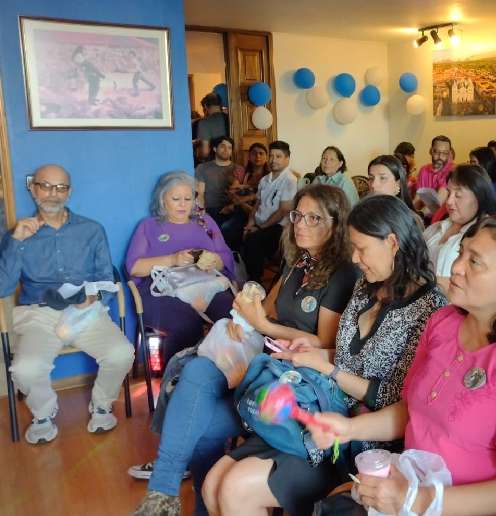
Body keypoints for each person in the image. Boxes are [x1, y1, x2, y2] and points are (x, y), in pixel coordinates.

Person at [309, 217, 496, 516]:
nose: (456, 267)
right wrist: (347, 429)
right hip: (413, 488)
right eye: (461, 253)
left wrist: (416, 500)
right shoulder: (443, 322)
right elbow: (412, 412)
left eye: (474, 262)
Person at [202, 195, 447, 516]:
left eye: (361, 249)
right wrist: (314, 353)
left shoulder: (429, 309)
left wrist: (329, 370)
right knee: (212, 483)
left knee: (236, 488)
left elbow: (395, 398)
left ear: (392, 243)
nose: (355, 258)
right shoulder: (367, 286)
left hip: (358, 440)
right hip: (320, 408)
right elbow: (350, 356)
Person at [132, 184, 359, 516]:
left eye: (314, 218)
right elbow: (265, 310)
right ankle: (165, 493)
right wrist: (244, 320)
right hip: (264, 364)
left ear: (336, 224)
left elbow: (326, 343)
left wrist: (264, 325)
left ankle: (170, 497)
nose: (301, 224)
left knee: (199, 420)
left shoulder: (342, 274)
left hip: (295, 382)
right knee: (196, 371)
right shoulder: (299, 263)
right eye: (298, 216)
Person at [0, 164, 134, 444]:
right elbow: (4, 287)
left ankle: (101, 405)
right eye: (46, 186)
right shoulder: (20, 233)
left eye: (60, 187)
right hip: (39, 314)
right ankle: (43, 413)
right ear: (33, 189)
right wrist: (15, 242)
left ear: (69, 192)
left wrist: (94, 298)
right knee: (25, 369)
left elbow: (105, 278)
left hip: (85, 312)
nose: (53, 193)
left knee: (122, 353)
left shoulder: (92, 230)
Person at [126, 171, 235, 367]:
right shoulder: (149, 226)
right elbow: (134, 267)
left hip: (204, 283)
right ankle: (177, 376)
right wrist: (173, 259)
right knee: (186, 324)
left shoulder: (205, 222)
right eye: (176, 199)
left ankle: (226, 372)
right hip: (162, 289)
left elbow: (225, 257)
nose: (183, 204)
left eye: (188, 198)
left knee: (233, 314)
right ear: (162, 200)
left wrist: (214, 260)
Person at [423, 164, 496, 291]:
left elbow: (475, 288)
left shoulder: (485, 236)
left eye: (458, 195)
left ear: (478, 197)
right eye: (448, 193)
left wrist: (421, 281)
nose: (449, 201)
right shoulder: (438, 227)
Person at [241, 140, 297, 283]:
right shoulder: (264, 180)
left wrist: (260, 228)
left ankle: (255, 281)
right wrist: (250, 223)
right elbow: (257, 204)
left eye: (278, 156)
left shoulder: (290, 180)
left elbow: (283, 211)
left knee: (253, 240)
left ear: (287, 159)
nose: (273, 160)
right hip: (259, 223)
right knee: (236, 233)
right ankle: (244, 275)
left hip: (278, 227)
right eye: (271, 156)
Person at [221, 142, 270, 251]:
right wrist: (235, 197)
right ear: (249, 156)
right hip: (241, 213)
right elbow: (233, 189)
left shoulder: (270, 176)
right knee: (225, 227)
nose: (257, 156)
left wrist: (241, 194)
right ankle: (234, 255)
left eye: (261, 153)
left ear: (266, 157)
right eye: (254, 153)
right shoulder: (242, 172)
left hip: (261, 213)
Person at [195, 135, 243, 226]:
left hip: (232, 209)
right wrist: (202, 213)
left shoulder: (238, 169)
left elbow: (242, 193)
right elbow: (200, 194)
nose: (226, 150)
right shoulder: (202, 168)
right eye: (223, 146)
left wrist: (232, 206)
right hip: (210, 209)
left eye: (229, 148)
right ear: (215, 149)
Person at [413, 135, 454, 215]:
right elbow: (418, 198)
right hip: (424, 216)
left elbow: (437, 203)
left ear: (449, 154)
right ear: (431, 151)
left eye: (445, 153)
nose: (440, 157)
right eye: (437, 152)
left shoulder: (452, 171)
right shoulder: (423, 170)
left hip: (442, 218)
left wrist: (419, 215)